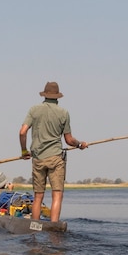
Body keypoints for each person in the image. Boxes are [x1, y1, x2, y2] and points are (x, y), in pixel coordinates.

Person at [19, 81, 87, 222]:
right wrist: (80, 144)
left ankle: (35, 226)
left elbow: (22, 132)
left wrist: (24, 151)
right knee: (57, 194)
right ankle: (53, 227)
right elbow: (69, 140)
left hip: (38, 159)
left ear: (44, 95)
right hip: (56, 158)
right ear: (57, 96)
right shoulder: (63, 113)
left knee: (38, 196)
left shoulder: (34, 110)